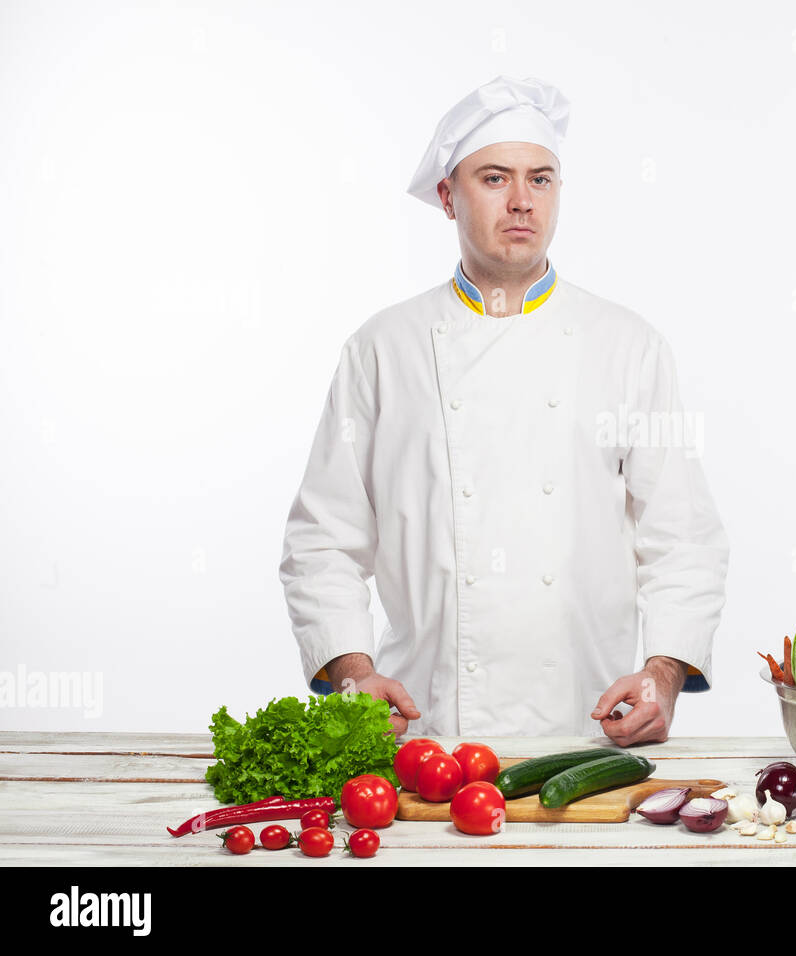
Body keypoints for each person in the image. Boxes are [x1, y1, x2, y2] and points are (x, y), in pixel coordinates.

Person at [278, 75, 729, 746]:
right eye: (494, 178)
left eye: (540, 179)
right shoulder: (381, 350)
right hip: (425, 734)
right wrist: (351, 671)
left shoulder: (628, 346)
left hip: (590, 732)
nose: (522, 202)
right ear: (447, 196)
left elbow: (683, 538)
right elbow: (322, 541)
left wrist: (663, 673)